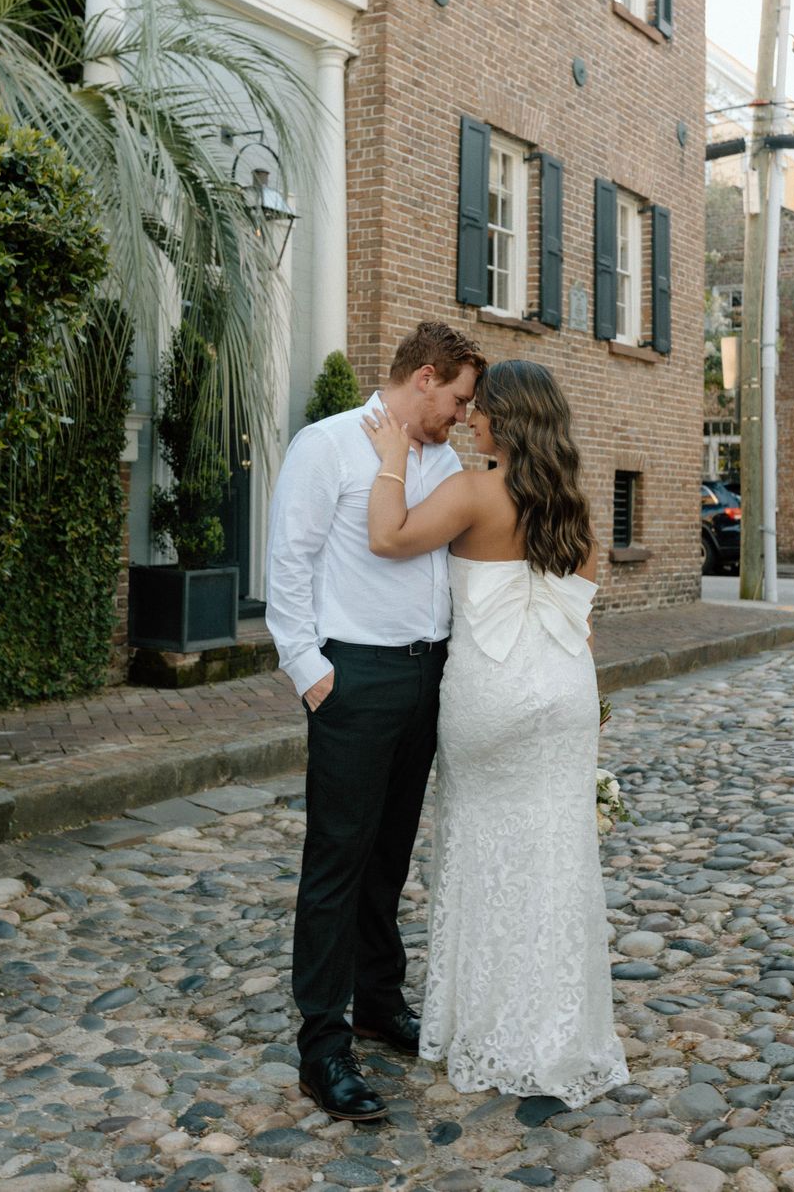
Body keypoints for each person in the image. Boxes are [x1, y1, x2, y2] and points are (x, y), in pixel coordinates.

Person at [360, 358, 629, 1108]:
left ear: (505, 419)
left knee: (484, 855)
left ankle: (488, 1028)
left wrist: (389, 463)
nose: (470, 418)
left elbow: (388, 537)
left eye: (479, 409)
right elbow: (581, 625)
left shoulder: (475, 491)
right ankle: (559, 1031)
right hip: (566, 696)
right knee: (558, 860)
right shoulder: (572, 507)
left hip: (492, 696)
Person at [265, 321, 486, 1122]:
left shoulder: (447, 462)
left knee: (390, 851)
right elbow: (288, 559)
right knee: (337, 858)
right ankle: (323, 1044)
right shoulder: (328, 444)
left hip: (429, 675)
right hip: (354, 677)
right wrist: (310, 671)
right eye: (458, 398)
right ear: (425, 377)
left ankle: (377, 1002)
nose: (463, 415)